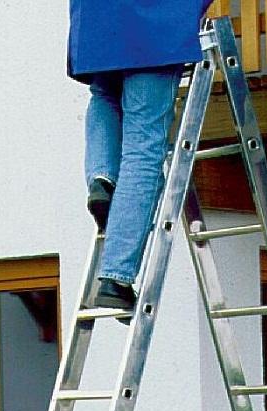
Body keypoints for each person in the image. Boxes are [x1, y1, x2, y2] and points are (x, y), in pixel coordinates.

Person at [68, 0, 215, 317]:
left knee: (104, 96)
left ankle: (101, 179)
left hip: (97, 22)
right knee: (144, 148)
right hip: (156, 27)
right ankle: (116, 280)